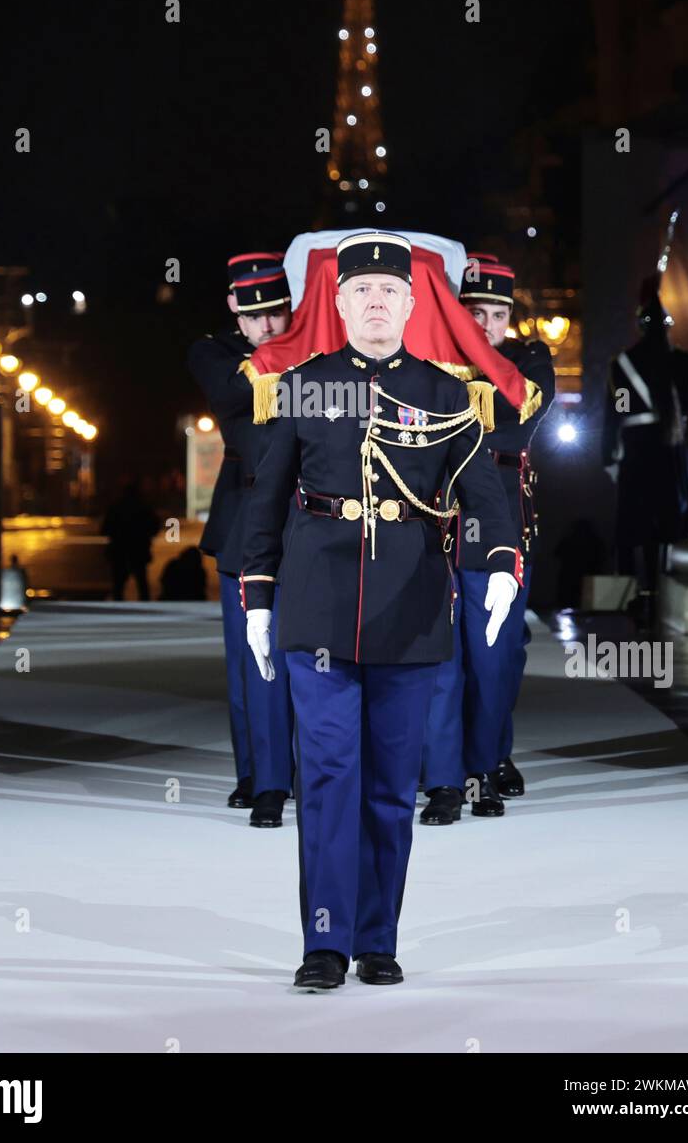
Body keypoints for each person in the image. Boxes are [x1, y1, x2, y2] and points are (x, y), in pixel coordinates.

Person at [241, 231, 523, 991]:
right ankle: (325, 944)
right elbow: (265, 500)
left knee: (392, 783)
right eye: (360, 291)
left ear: (411, 303)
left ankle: (379, 938)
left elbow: (485, 497)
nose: (374, 301)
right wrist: (258, 599)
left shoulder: (447, 395)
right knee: (330, 773)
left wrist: (500, 566)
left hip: (410, 606)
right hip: (318, 605)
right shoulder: (303, 386)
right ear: (336, 303)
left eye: (389, 291)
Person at [421, 253, 555, 823]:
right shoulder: (433, 360)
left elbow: (509, 409)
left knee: (496, 657)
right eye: (471, 313)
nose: (484, 326)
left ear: (509, 318)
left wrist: (465, 374)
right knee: (441, 658)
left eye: (495, 314)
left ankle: (486, 764)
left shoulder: (530, 360)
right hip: (438, 518)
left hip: (499, 520)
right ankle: (448, 779)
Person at [187, 253, 295, 827]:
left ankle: (288, 770)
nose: (268, 328)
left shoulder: (308, 348)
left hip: (305, 516)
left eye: (277, 313)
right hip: (247, 516)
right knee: (250, 662)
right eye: (255, 317)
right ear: (234, 308)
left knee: (305, 656)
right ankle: (259, 775)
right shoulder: (215, 353)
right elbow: (233, 397)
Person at [602, 276, 688, 627]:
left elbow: (616, 413)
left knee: (636, 523)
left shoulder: (622, 364)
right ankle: (659, 591)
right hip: (669, 449)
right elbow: (687, 405)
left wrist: (608, 456)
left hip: (638, 451)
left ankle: (642, 595)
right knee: (666, 523)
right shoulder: (683, 362)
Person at [100, 480, 159, 601]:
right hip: (139, 548)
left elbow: (104, 529)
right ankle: (145, 610)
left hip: (119, 549)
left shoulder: (116, 507)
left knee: (118, 586)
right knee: (142, 584)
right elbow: (155, 526)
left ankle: (120, 610)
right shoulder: (143, 507)